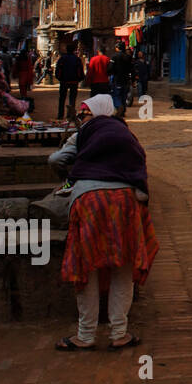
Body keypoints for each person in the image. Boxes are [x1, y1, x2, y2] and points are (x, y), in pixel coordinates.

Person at [48, 94, 158, 351]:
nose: (82, 120)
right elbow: (139, 163)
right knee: (123, 267)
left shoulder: (83, 134)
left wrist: (72, 177)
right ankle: (119, 333)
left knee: (86, 268)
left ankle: (85, 336)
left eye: (83, 115)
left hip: (89, 202)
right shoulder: (125, 133)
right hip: (124, 202)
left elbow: (55, 160)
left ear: (94, 114)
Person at [54, 43, 84, 121]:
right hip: (74, 82)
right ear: (74, 50)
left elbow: (58, 70)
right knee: (72, 99)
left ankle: (60, 115)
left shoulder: (62, 58)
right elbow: (80, 71)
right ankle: (70, 115)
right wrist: (79, 79)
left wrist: (60, 78)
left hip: (64, 81)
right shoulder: (77, 59)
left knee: (62, 99)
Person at [109, 42, 135, 116]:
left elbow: (110, 68)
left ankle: (119, 107)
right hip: (126, 80)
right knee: (124, 95)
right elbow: (132, 69)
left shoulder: (114, 56)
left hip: (117, 79)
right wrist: (133, 80)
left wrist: (111, 73)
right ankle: (123, 111)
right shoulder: (128, 57)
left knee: (116, 95)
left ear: (117, 48)